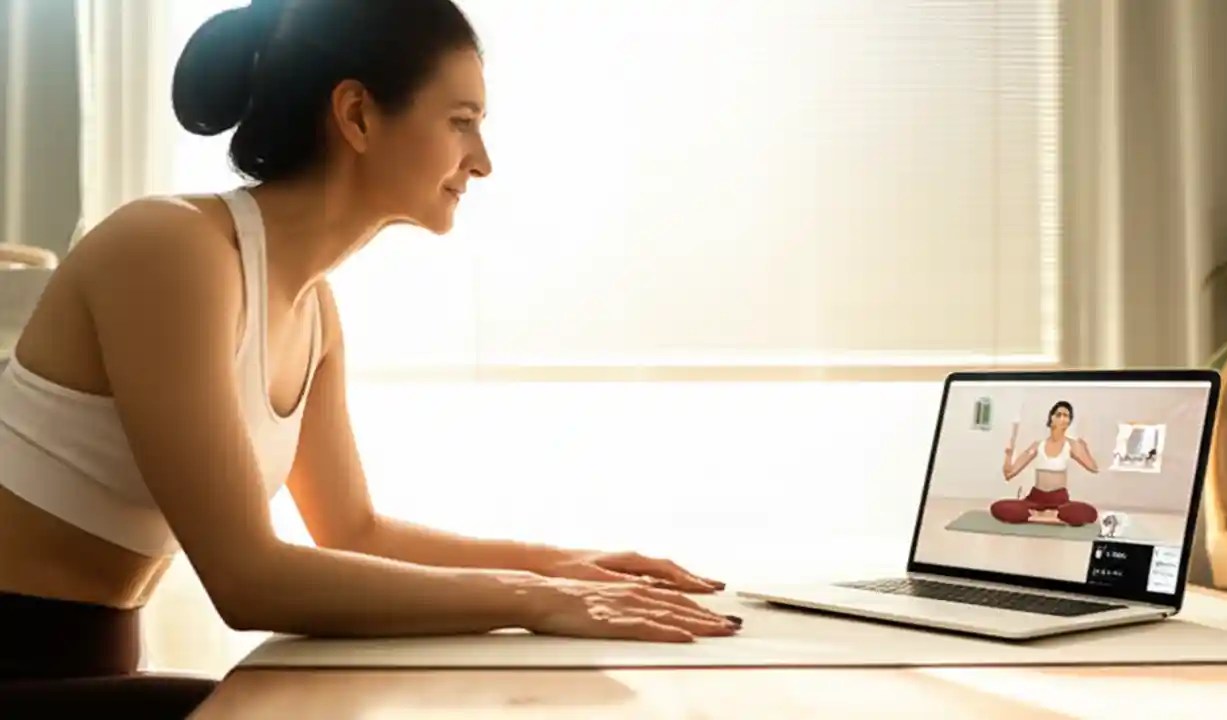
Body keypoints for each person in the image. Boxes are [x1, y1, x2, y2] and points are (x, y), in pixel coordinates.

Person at [0, 1, 739, 715]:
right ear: (356, 115)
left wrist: (567, 567)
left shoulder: (312, 310)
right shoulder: (170, 250)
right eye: (461, 122)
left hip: (88, 669)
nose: (481, 162)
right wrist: (533, 599)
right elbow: (247, 580)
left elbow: (354, 533)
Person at [990, 401, 1100, 527]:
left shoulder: (1071, 445)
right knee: (999, 507)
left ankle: (1039, 516)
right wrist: (1008, 455)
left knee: (1088, 512)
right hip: (1036, 498)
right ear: (1051, 418)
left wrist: (1085, 449)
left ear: (1069, 422)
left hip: (1059, 500)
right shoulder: (1038, 445)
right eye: (1058, 415)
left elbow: (1093, 468)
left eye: (1066, 416)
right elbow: (1009, 474)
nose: (1062, 418)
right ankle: (1050, 517)